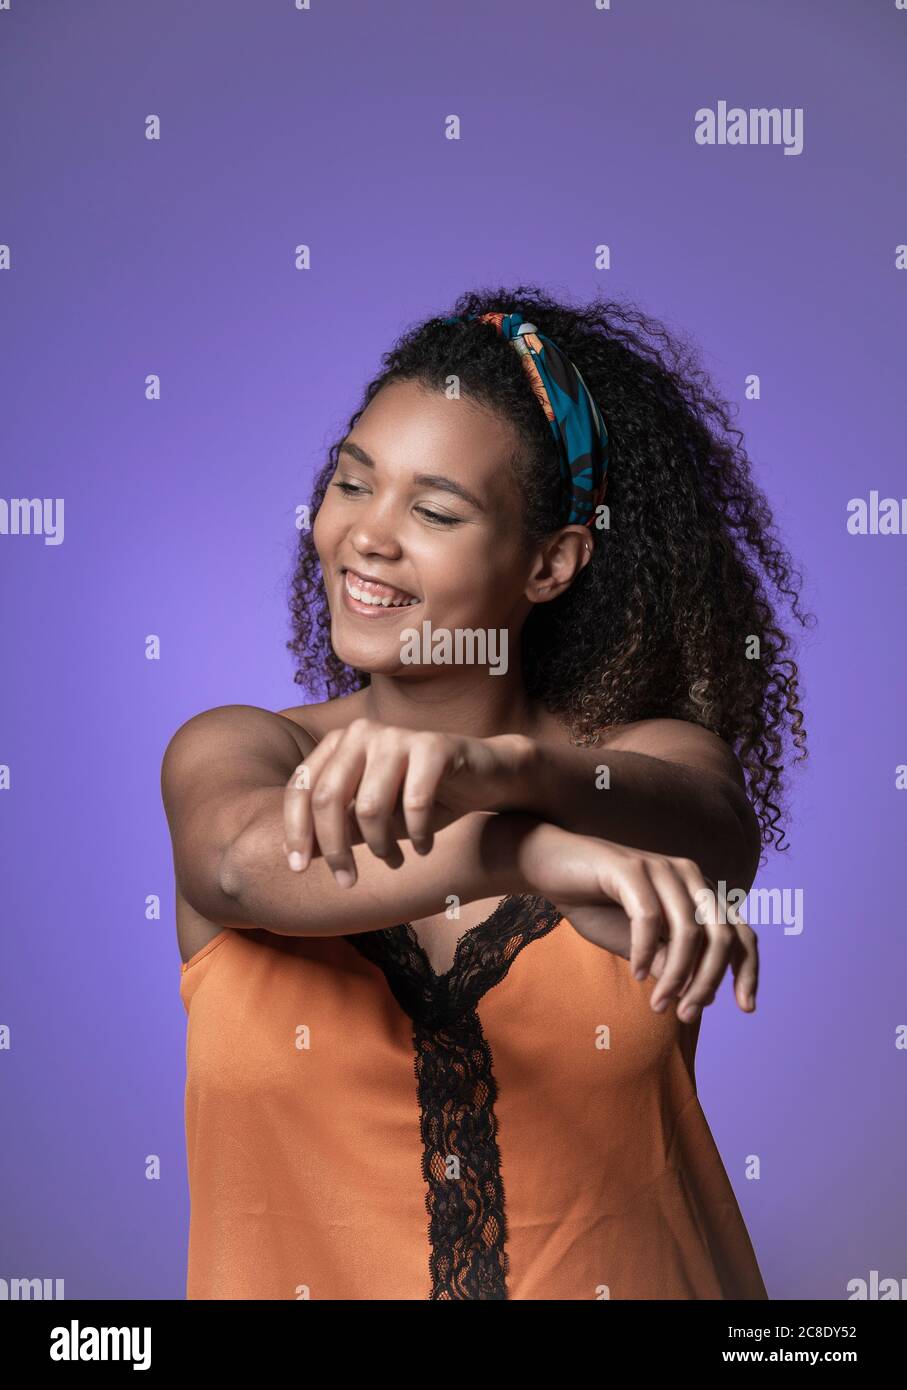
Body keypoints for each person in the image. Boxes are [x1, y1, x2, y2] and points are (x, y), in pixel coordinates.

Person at [161, 287, 810, 1300]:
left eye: (432, 509)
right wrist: (523, 850)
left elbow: (712, 836)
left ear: (550, 563)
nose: (367, 537)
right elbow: (243, 866)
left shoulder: (645, 765)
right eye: (350, 484)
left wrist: (500, 771)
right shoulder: (242, 751)